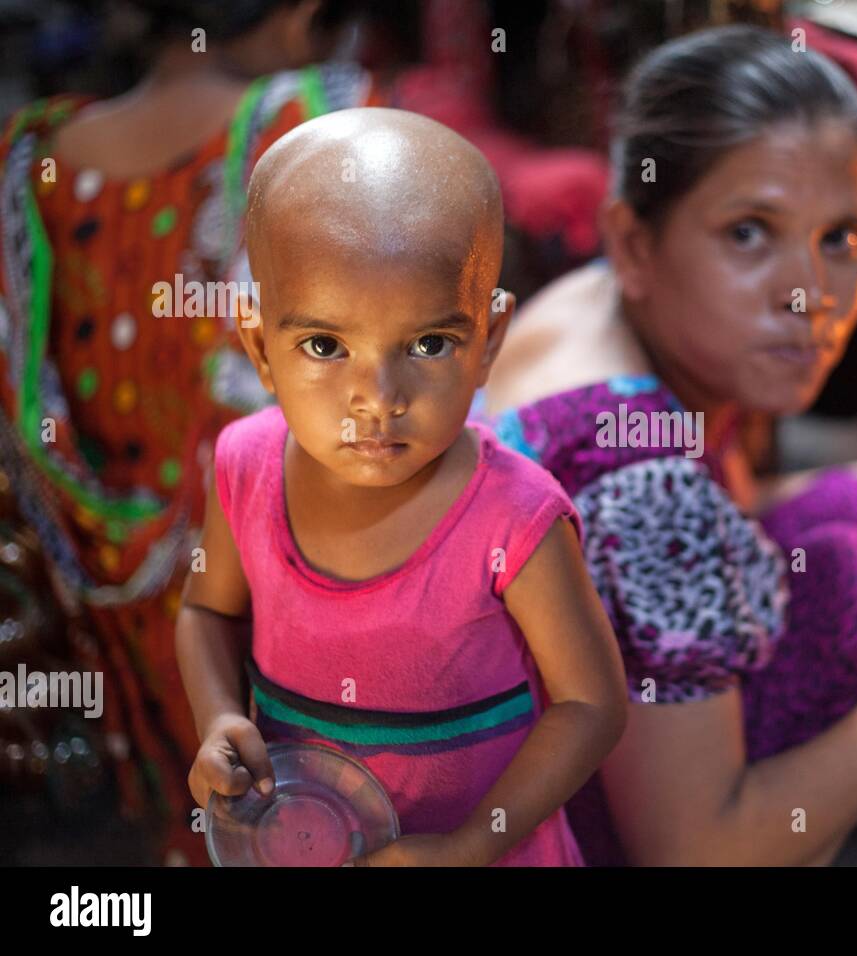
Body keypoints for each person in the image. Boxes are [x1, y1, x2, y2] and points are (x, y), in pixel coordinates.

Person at [481, 25, 857, 866]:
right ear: (638, 242)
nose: (809, 296)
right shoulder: (645, 482)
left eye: (840, 238)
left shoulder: (594, 309)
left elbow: (731, 515)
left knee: (847, 511)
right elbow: (692, 850)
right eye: (749, 232)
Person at [176, 108, 628, 866]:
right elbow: (206, 609)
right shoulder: (246, 466)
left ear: (489, 342)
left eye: (429, 343)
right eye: (325, 345)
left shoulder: (514, 520)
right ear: (259, 346)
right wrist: (220, 716)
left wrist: (462, 848)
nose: (378, 396)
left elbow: (591, 705)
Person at [0, 0, 378, 863]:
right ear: (305, 17)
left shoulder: (34, 160)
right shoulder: (311, 122)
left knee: (193, 820)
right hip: (281, 605)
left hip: (112, 614)